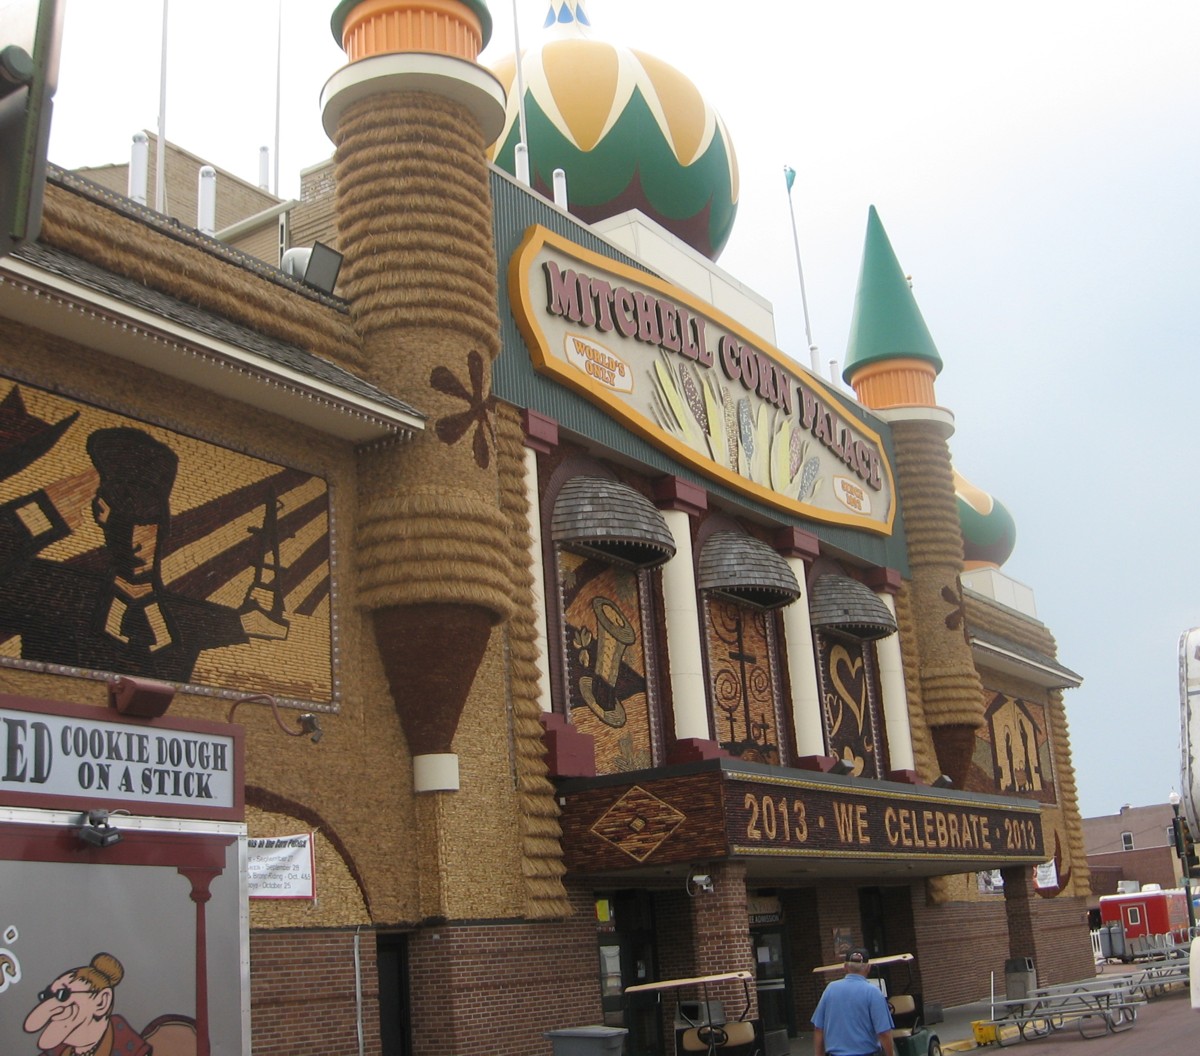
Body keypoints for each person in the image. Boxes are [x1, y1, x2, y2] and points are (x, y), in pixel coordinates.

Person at [23, 952, 151, 1056]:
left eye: (63, 994)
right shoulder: (58, 1050)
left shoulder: (128, 1045)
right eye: (47, 995)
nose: (51, 1007)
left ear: (101, 1001)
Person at [811, 947, 895, 1056]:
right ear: (868, 967)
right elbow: (884, 1033)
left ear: (845, 967)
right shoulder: (873, 992)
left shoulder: (830, 989)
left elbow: (818, 1029)